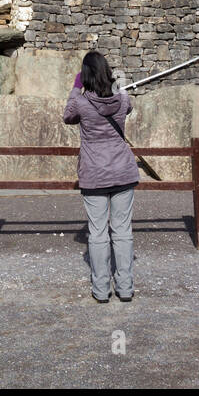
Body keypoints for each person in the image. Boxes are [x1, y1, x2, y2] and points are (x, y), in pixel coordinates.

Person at [62, 50, 138, 303]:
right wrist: (115, 83)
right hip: (123, 171)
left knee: (97, 233)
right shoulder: (122, 98)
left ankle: (101, 289)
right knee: (123, 230)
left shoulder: (81, 103)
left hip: (94, 173)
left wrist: (76, 87)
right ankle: (125, 288)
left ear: (84, 76)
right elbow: (129, 106)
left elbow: (67, 116)